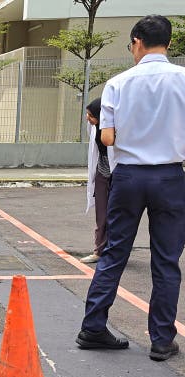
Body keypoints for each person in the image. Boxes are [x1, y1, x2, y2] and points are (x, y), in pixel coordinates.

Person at [76, 15, 184, 362]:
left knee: (115, 253)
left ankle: (94, 326)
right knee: (166, 260)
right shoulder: (183, 80)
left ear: (137, 41)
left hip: (129, 177)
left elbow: (107, 136)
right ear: (168, 43)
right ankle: (162, 338)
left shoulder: (118, 83)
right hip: (170, 175)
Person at [80, 98, 113, 264]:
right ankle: (99, 251)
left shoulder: (115, 129)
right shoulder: (94, 128)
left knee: (118, 215)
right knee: (101, 213)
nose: (88, 118)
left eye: (91, 115)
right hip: (102, 172)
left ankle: (114, 251)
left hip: (119, 175)